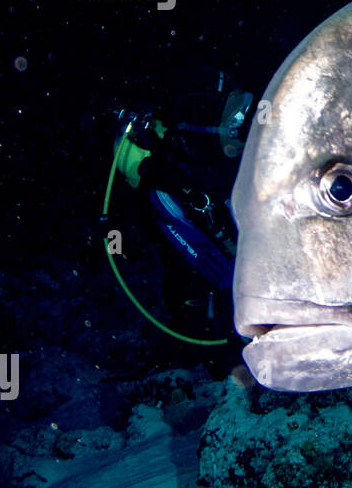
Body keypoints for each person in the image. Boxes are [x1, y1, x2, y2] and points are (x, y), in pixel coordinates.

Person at [102, 70, 255, 346]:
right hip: (171, 204)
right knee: (197, 280)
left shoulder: (191, 145)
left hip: (181, 196)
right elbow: (211, 263)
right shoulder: (163, 190)